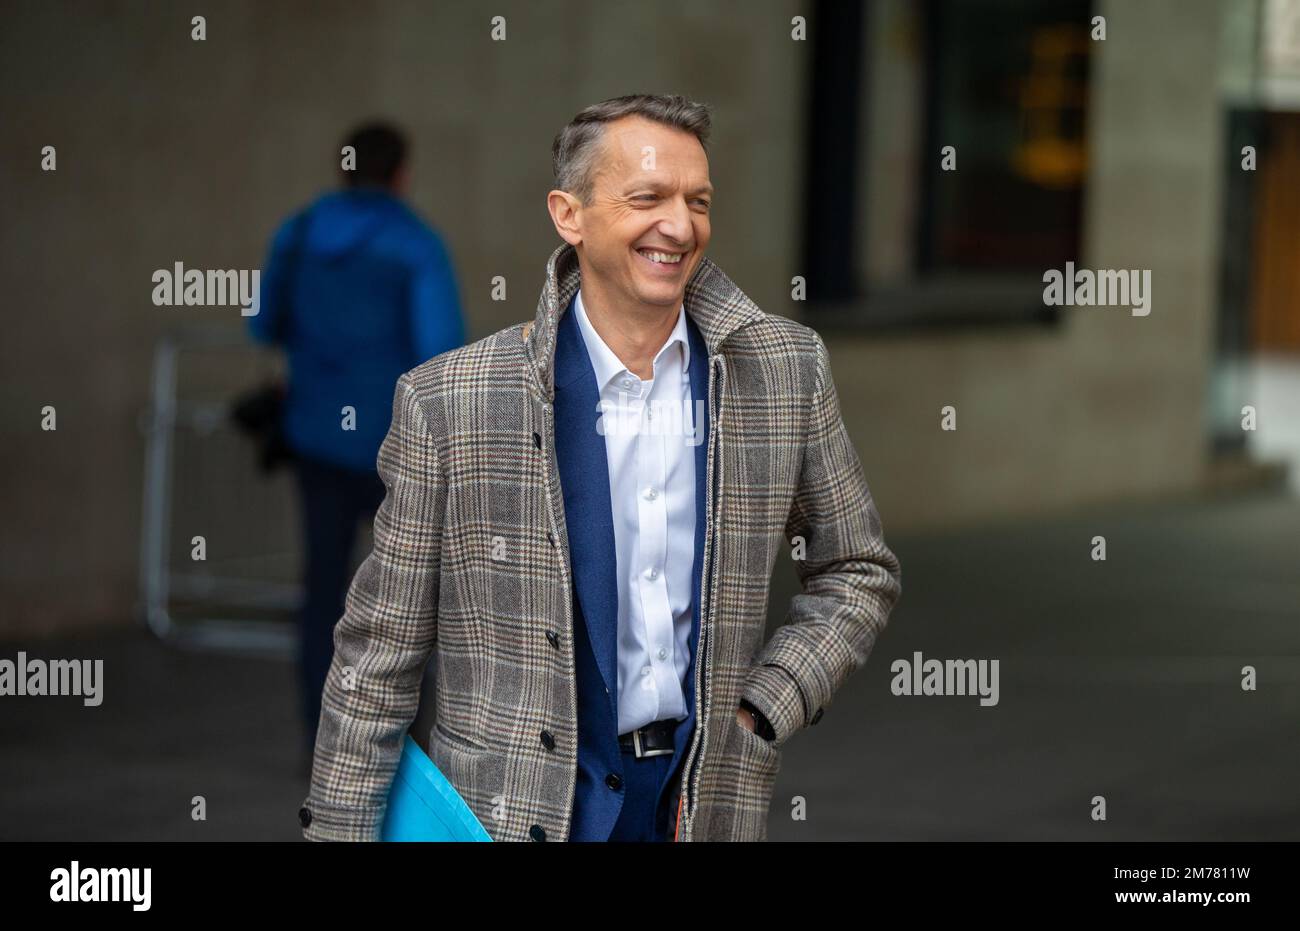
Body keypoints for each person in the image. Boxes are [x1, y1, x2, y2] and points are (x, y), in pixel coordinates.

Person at [298, 95, 900, 842]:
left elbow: (856, 568)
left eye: (697, 201)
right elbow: (377, 654)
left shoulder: (784, 371)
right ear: (568, 215)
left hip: (701, 805)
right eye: (647, 197)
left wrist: (764, 705)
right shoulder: (449, 400)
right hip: (509, 812)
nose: (680, 226)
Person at [248, 121, 465, 756]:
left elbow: (263, 326)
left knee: (322, 588)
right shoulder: (415, 243)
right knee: (420, 592)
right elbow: (439, 353)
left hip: (315, 437)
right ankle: (407, 742)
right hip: (398, 449)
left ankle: (322, 737)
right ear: (401, 172)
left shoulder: (298, 232)